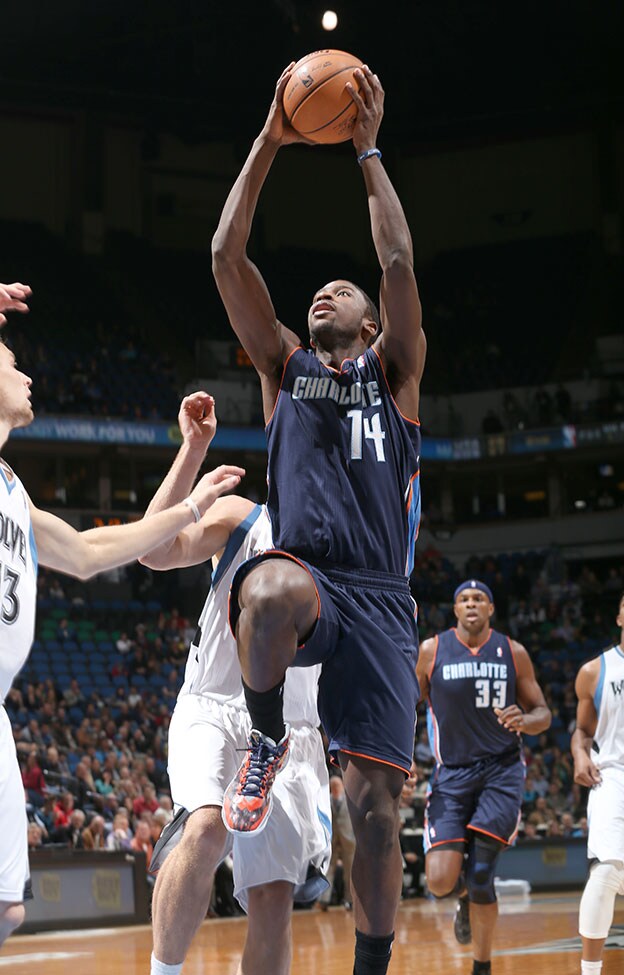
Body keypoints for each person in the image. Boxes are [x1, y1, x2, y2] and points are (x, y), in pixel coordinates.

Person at [211, 61, 426, 975]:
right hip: (314, 586)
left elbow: (399, 261)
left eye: (342, 291)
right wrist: (271, 136)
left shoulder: (396, 372)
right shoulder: (284, 369)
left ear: (374, 321)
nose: (322, 294)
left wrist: (367, 150)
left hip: (380, 601)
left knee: (374, 815)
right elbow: (226, 256)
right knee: (264, 587)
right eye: (317, 293)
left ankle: (373, 964)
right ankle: (265, 740)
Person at [0, 291, 244, 947]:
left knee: (6, 910)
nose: (26, 374)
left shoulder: (12, 491)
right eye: (12, 362)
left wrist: (192, 505)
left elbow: (88, 552)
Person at [138, 391, 331, 975]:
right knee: (205, 828)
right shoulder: (244, 517)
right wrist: (192, 451)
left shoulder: (352, 552)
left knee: (273, 898)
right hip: (214, 707)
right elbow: (153, 551)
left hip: (293, 728)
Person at [417, 580, 551, 975]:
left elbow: (543, 712)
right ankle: (461, 898)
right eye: (464, 599)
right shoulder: (432, 650)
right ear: (454, 610)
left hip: (501, 770)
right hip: (451, 773)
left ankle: (482, 965)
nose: (471, 604)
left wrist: (526, 721)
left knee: (480, 875)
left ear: (491, 609)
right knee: (441, 881)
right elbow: (406, 706)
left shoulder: (513, 651)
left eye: (479, 599)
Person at [571, 585, 624, 975]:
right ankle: (590, 972)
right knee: (603, 875)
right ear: (619, 619)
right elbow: (582, 731)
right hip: (614, 779)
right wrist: (580, 754)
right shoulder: (594, 671)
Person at [318, 774, 356, 912]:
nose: (335, 788)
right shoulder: (324, 800)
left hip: (349, 840)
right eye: (333, 786)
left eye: (337, 785)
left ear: (343, 786)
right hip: (331, 839)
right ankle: (324, 899)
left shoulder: (350, 800)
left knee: (350, 870)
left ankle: (350, 900)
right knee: (328, 868)